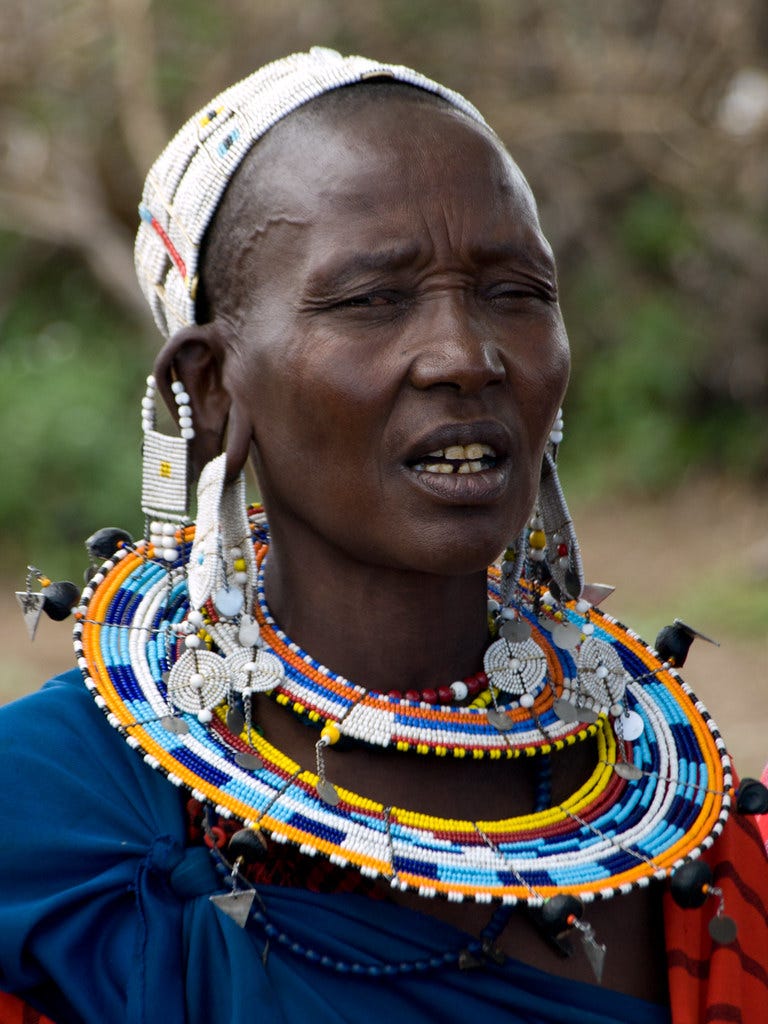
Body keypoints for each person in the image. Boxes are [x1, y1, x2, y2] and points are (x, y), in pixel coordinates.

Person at [1, 48, 766, 1024]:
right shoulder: (55, 829)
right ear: (210, 389)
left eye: (516, 292)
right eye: (373, 300)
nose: (465, 356)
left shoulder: (698, 840)